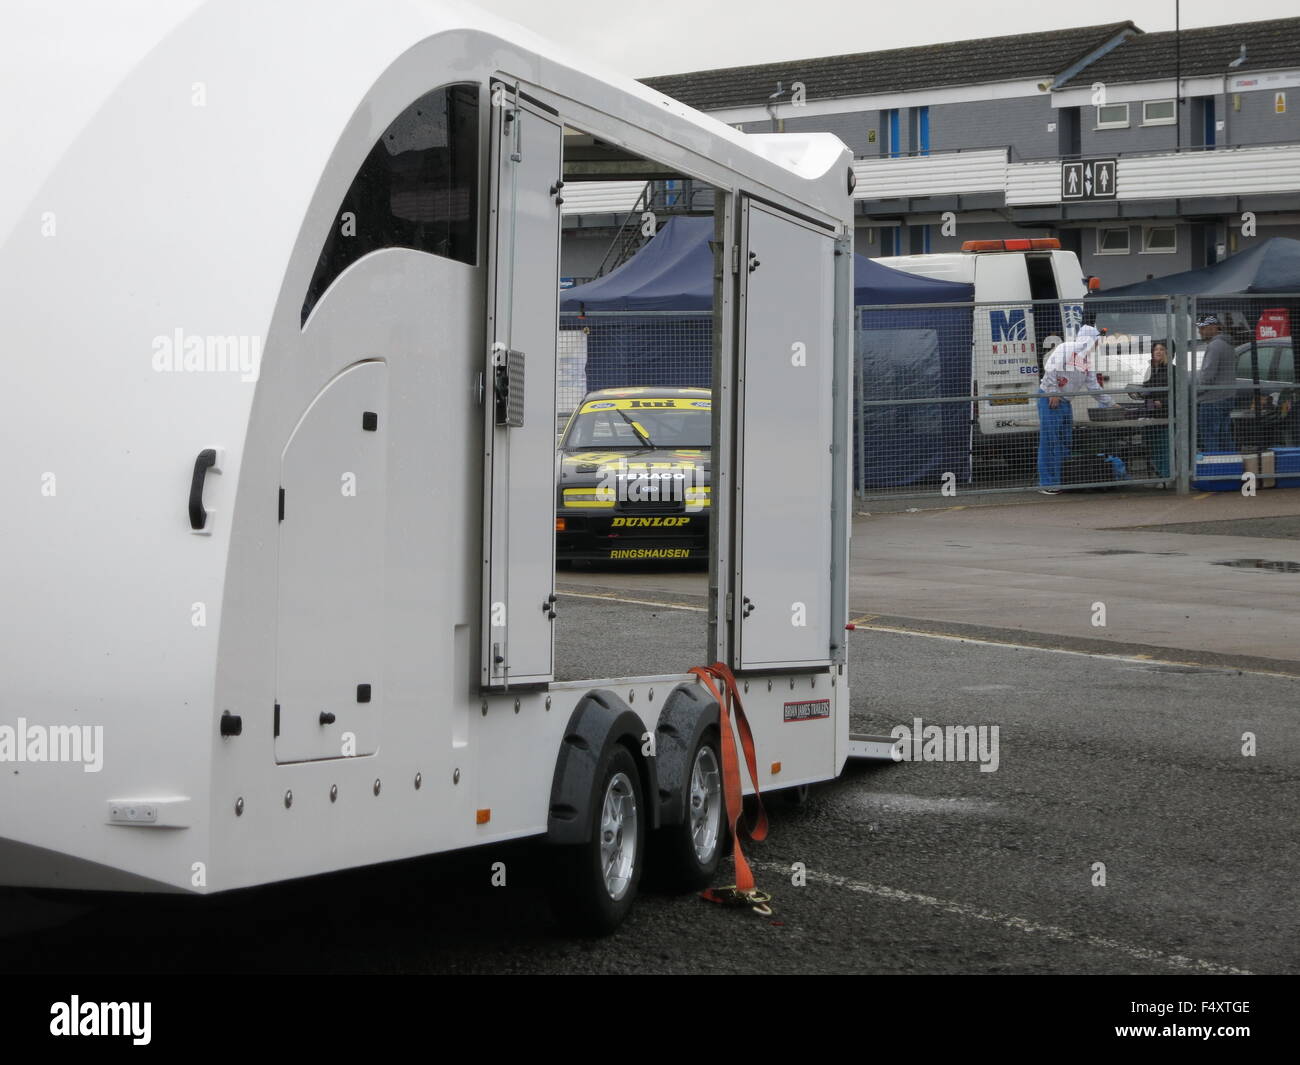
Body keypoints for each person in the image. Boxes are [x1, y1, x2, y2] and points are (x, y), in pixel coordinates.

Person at [1037, 324, 1113, 494]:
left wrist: (1110, 403)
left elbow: (1093, 386)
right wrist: (1053, 392)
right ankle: (1048, 482)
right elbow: (1050, 368)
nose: (1097, 345)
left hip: (1064, 401)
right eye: (1096, 341)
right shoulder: (1066, 348)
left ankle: (1063, 479)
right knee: (1050, 441)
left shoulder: (1086, 360)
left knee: (1064, 440)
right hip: (1051, 399)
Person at [1195, 314, 1237, 453]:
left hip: (1212, 400)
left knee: (1210, 437)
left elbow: (1207, 375)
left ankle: (1214, 470)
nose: (1200, 331)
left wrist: (1197, 390)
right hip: (1227, 397)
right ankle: (1230, 468)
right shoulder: (1228, 344)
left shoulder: (1214, 346)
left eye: (1203, 328)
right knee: (1225, 436)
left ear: (1214, 327)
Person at [1140, 341, 1171, 479]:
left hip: (1165, 416)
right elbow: (1146, 389)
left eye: (1162, 349)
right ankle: (1160, 475)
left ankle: (1166, 476)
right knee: (1152, 447)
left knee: (1164, 448)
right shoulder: (1151, 369)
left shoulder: (1172, 370)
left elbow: (1177, 393)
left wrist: (1162, 402)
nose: (1158, 352)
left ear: (1167, 353)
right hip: (1151, 414)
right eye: (1156, 349)